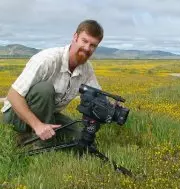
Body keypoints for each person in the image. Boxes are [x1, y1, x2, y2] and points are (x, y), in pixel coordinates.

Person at [1, 19, 104, 147]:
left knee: (80, 138)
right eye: (84, 41)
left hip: (48, 115)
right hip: (15, 115)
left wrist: (110, 107)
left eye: (93, 45)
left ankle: (28, 137)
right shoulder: (47, 60)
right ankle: (41, 144)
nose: (87, 48)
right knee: (44, 89)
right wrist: (38, 126)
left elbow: (97, 96)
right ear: (75, 37)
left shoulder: (86, 69)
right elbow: (13, 95)